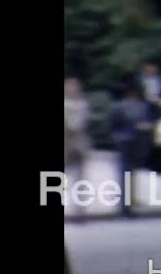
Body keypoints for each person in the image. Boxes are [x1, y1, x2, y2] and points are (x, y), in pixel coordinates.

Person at [106, 79, 154, 217]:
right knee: (126, 173)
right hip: (126, 141)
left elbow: (149, 121)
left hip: (138, 142)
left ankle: (128, 204)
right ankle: (125, 206)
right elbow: (111, 124)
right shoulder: (120, 107)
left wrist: (147, 127)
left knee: (130, 173)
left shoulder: (142, 106)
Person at [63, 78, 91, 219]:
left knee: (80, 178)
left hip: (79, 144)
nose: (72, 89)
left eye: (75, 87)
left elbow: (83, 124)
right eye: (70, 87)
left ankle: (79, 210)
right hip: (66, 143)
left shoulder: (83, 105)